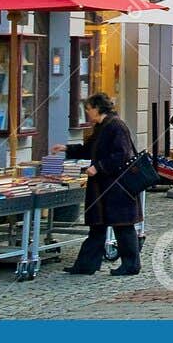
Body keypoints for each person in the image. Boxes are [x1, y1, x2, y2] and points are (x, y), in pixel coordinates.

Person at [55, 92, 142, 277]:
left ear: (97, 108)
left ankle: (131, 265)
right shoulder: (101, 127)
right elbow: (89, 149)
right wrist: (66, 148)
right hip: (103, 187)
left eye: (88, 109)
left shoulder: (116, 126)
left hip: (117, 187)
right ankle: (86, 265)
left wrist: (99, 167)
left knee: (123, 226)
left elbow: (121, 154)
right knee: (97, 226)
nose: (87, 112)